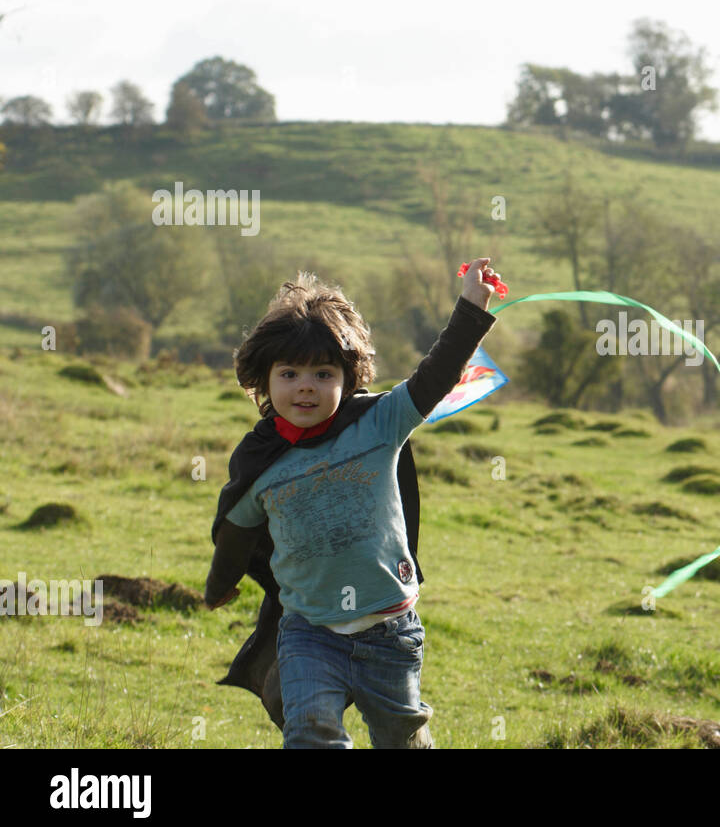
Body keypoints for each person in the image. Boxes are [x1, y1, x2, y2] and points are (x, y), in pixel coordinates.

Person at [205, 258, 499, 748]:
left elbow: (437, 373)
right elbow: (235, 534)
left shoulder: (381, 422)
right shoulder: (260, 462)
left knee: (399, 737)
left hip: (390, 630)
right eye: (290, 373)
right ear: (264, 380)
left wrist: (471, 305)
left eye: (323, 373)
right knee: (311, 732)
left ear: (349, 376)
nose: (306, 386)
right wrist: (219, 586)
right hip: (309, 632)